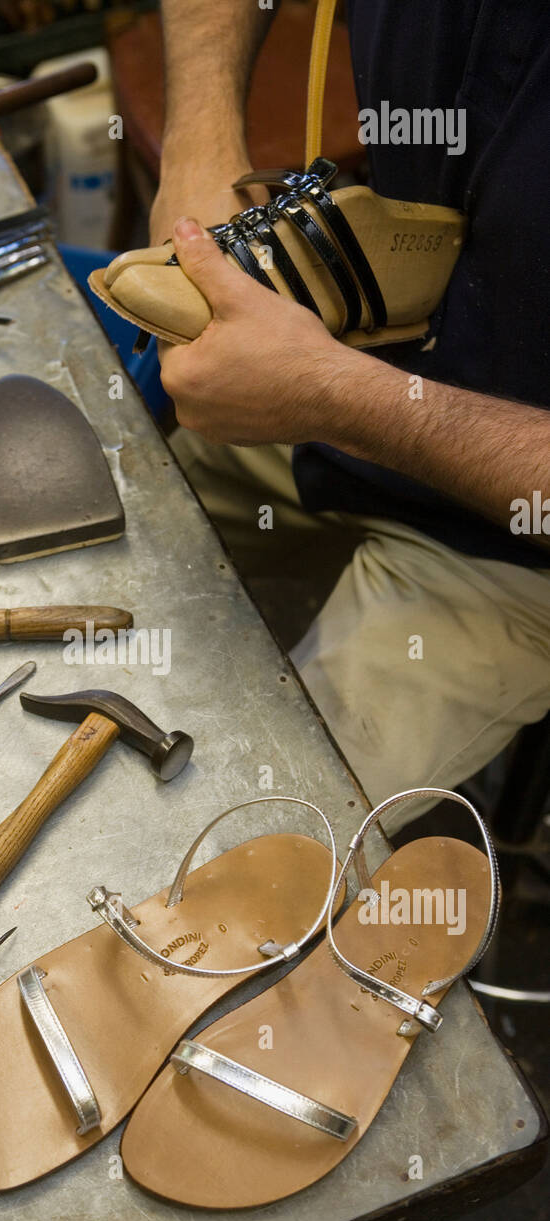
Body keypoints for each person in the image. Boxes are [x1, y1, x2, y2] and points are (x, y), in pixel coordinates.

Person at [151, 0, 550, 830]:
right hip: (357, 348)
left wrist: (336, 394)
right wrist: (200, 136)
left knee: (247, 855)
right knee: (96, 523)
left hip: (515, 537)